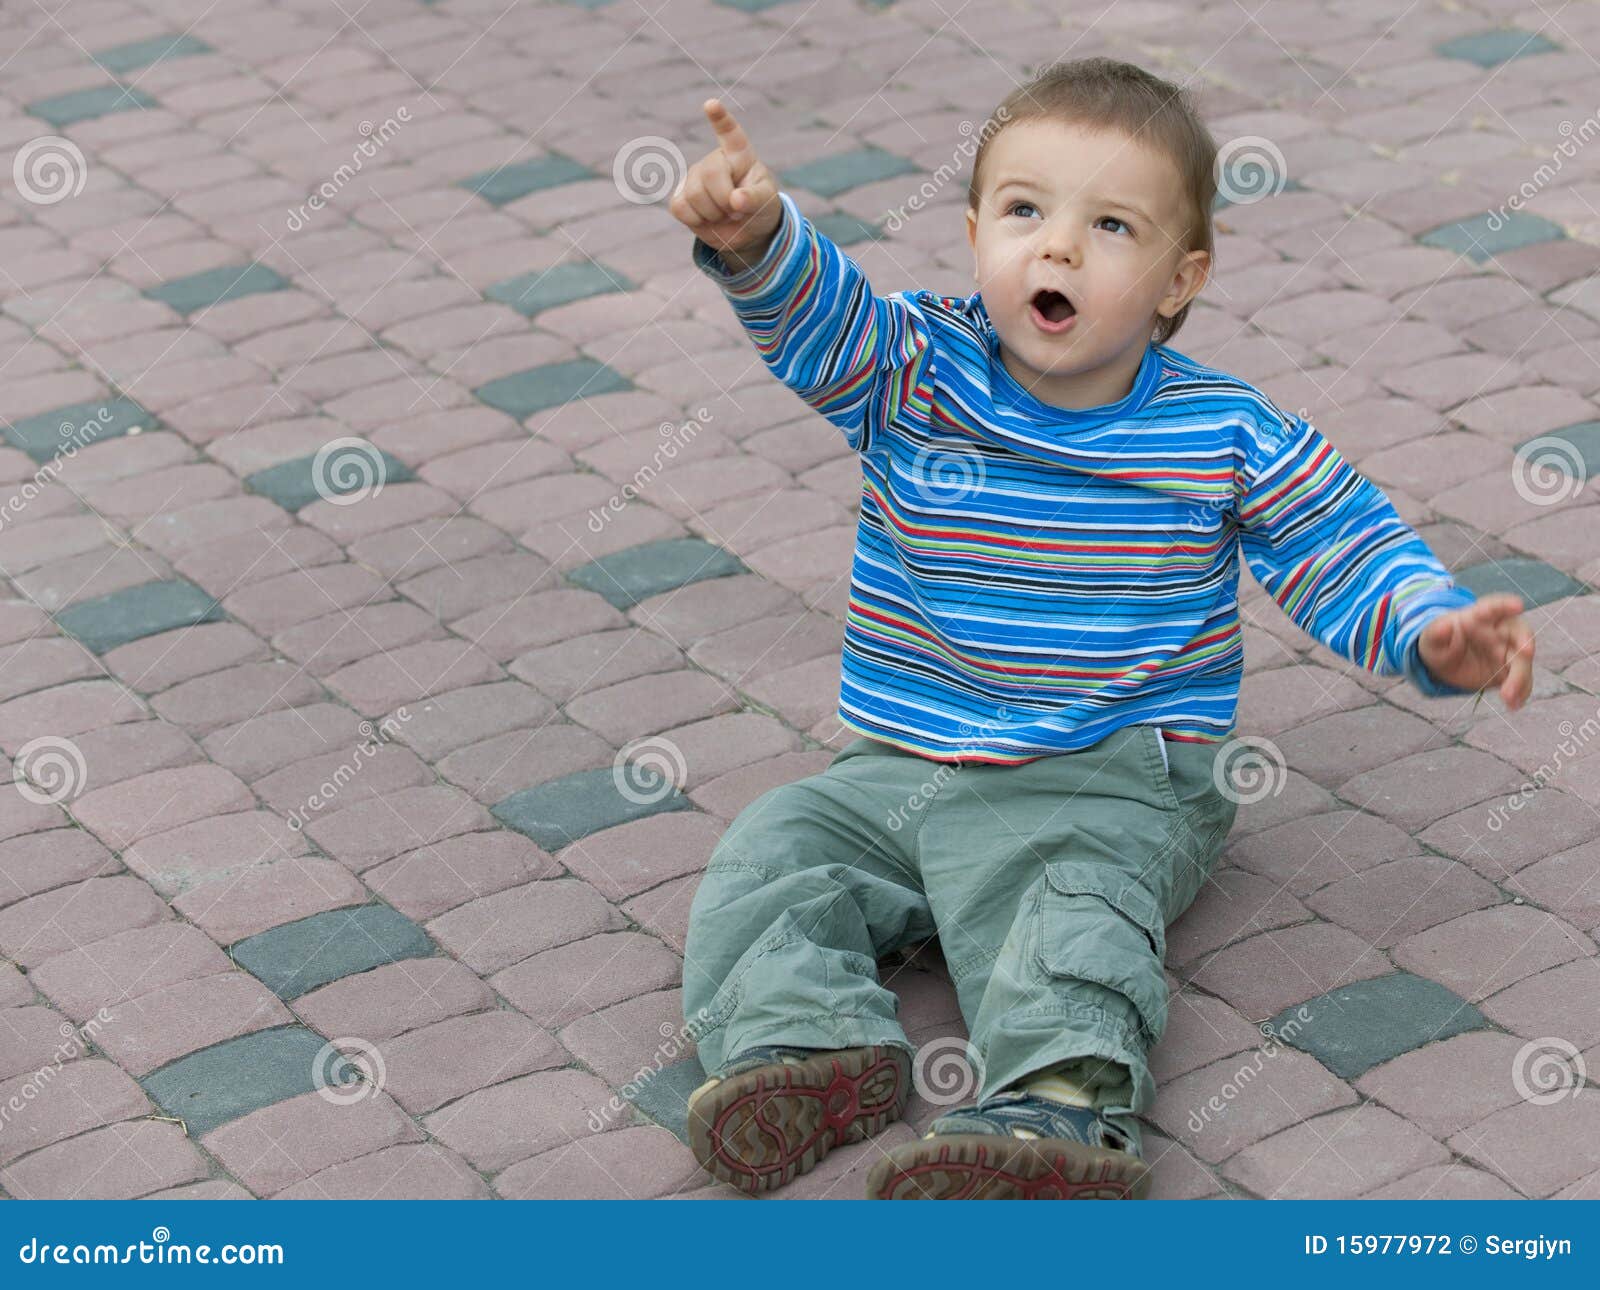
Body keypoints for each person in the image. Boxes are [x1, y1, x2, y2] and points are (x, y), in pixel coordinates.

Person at [664, 57, 1536, 1200]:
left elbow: (1339, 536)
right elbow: (821, 317)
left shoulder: (1219, 429)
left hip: (1107, 778)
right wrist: (757, 239)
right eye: (1025, 212)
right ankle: (806, 1049)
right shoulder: (914, 368)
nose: (1059, 247)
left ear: (1179, 280)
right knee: (770, 856)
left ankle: (1059, 1109)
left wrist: (1428, 631)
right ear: (976, 233)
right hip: (900, 768)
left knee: (1064, 914)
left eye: (1110, 225)